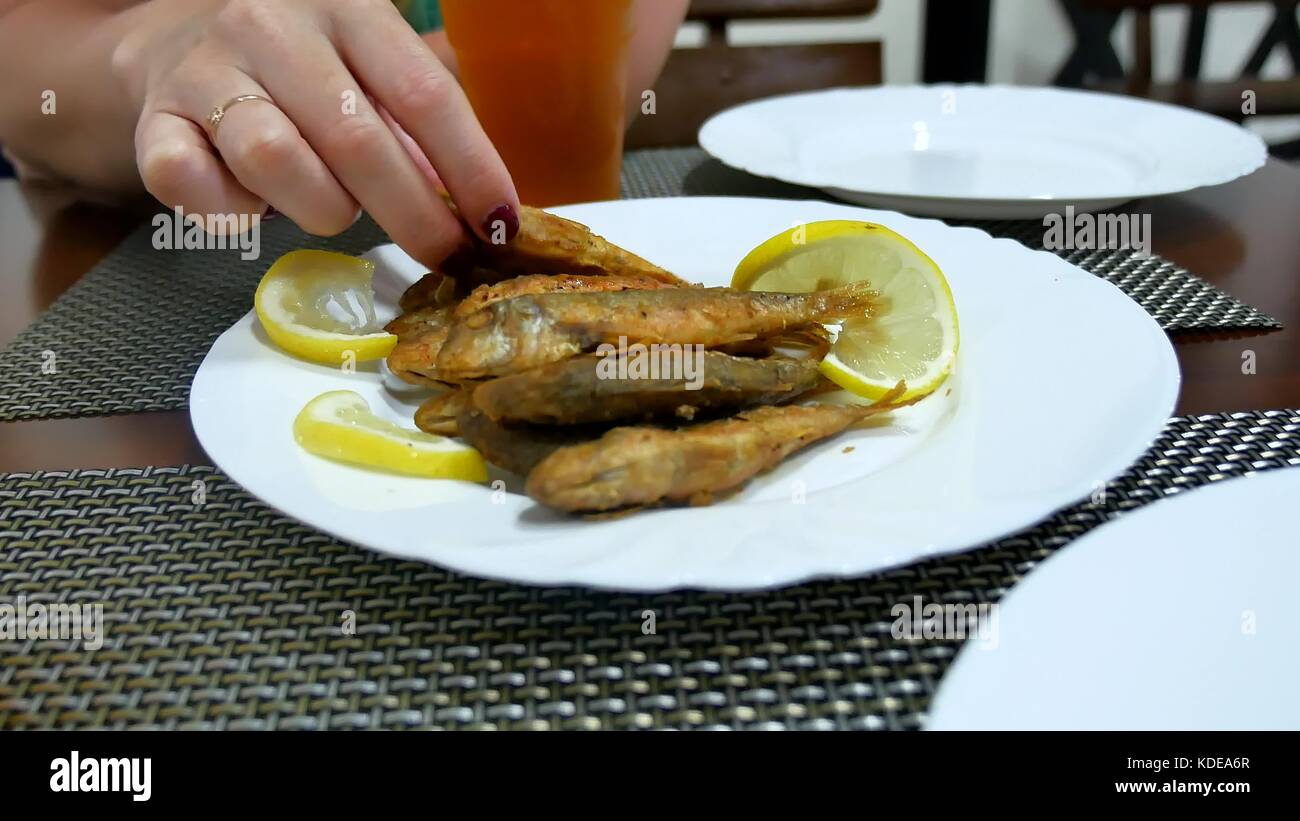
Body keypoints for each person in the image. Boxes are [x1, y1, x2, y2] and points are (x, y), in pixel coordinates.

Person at [0, 0, 688, 264]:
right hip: (150, 290)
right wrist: (150, 53)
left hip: (516, 250)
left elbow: (594, 77)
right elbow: (19, 73)